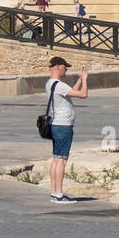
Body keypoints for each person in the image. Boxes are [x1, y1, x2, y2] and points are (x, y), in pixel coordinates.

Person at [45, 57, 88, 204]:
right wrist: (86, 80)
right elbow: (83, 94)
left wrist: (79, 80)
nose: (66, 70)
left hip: (56, 125)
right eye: (65, 67)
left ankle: (54, 192)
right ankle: (58, 194)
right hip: (63, 127)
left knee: (56, 159)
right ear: (57, 67)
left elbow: (71, 92)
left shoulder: (51, 84)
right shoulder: (59, 85)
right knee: (61, 161)